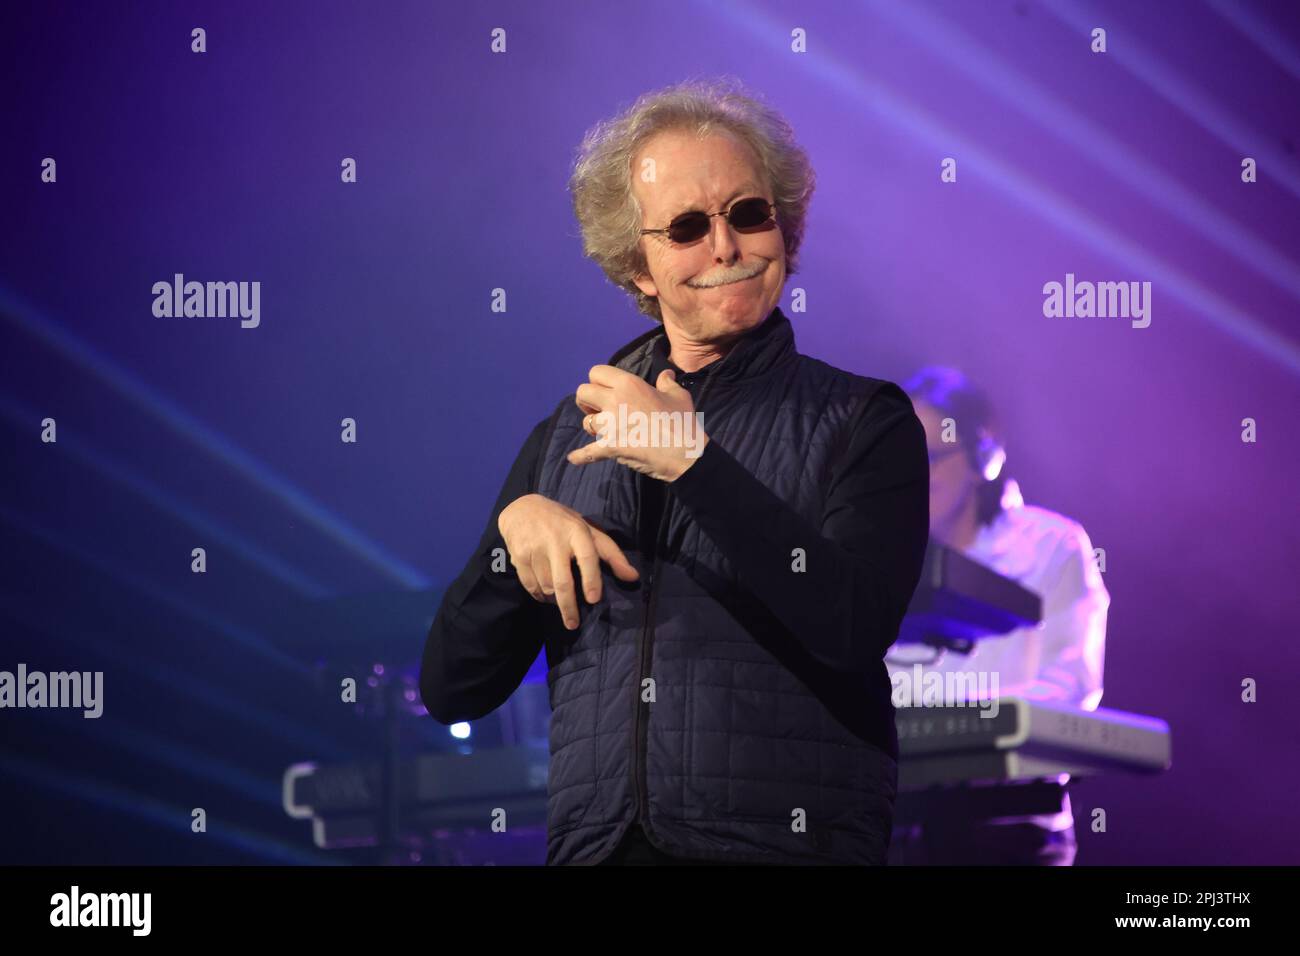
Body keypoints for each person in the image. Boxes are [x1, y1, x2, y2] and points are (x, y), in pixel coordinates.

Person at [420, 77, 929, 866]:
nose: (725, 247)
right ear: (639, 270)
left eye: (749, 215)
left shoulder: (863, 420)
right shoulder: (563, 438)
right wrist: (512, 539)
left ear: (785, 233)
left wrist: (693, 464)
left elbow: (854, 629)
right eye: (688, 228)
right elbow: (454, 688)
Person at [886, 366, 1110, 865]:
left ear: (981, 457)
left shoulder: (1053, 546)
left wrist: (955, 730)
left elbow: (1071, 683)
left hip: (1011, 828)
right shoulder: (882, 555)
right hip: (896, 825)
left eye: (927, 458)